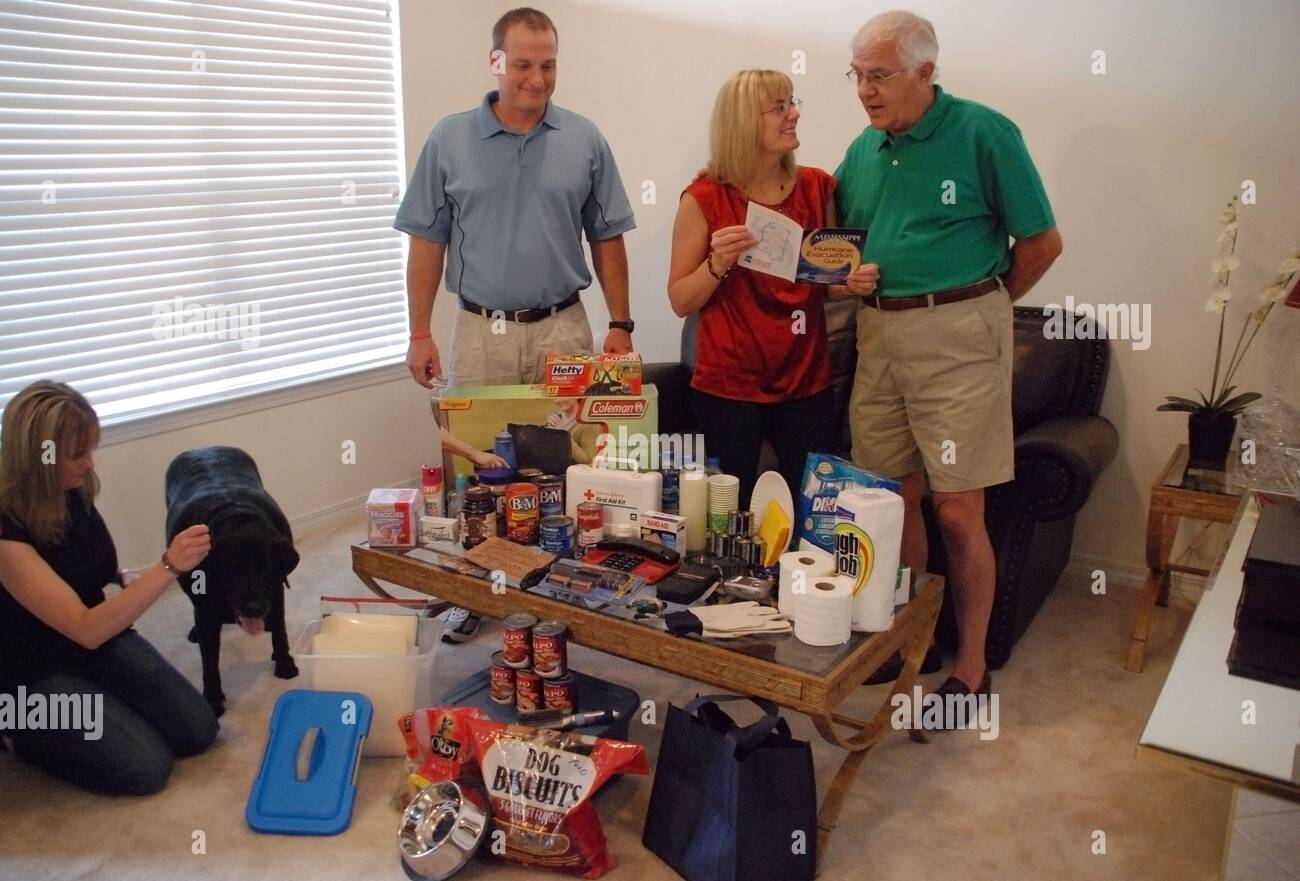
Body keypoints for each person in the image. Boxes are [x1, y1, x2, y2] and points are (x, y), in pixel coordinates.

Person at [835, 11, 1062, 713]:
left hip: (959, 336)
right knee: (890, 503)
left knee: (960, 510)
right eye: (858, 75)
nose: (865, 91)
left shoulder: (983, 132)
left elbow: (1042, 242)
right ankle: (913, 641)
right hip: (878, 338)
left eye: (879, 75)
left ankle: (970, 663)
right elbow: (843, 244)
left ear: (925, 73)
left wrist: (977, 307)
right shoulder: (864, 148)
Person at [395, 6, 636, 642]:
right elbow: (427, 242)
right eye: (523, 63)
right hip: (480, 331)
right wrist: (419, 331)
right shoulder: (450, 139)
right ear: (496, 61)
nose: (536, 77)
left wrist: (622, 324)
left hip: (564, 326)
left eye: (548, 64)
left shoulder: (585, 139)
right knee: (479, 470)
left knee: (568, 459)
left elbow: (607, 237)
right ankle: (479, 589)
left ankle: (560, 587)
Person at [667, 69, 877, 507]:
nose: (794, 114)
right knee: (729, 511)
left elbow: (827, 285)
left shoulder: (817, 186)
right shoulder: (704, 198)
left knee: (814, 508)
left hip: (806, 379)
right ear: (744, 122)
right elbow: (681, 299)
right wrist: (717, 262)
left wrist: (851, 284)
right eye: (779, 108)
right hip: (729, 383)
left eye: (792, 103)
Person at [0, 382, 218, 794]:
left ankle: (88, 701)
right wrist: (168, 566)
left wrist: (120, 575)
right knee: (145, 766)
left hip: (93, 640)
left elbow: (77, 556)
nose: (89, 463)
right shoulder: (6, 532)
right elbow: (86, 627)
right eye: (77, 454)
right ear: (37, 457)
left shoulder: (70, 489)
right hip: (32, 668)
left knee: (197, 731)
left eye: (91, 448)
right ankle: (17, 731)